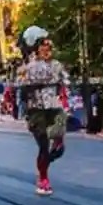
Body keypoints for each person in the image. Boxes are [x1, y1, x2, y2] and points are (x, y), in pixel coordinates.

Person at [19, 37, 69, 196]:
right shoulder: (29, 67)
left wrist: (66, 98)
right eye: (43, 46)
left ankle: (54, 151)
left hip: (54, 107)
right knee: (43, 144)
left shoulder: (57, 65)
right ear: (37, 49)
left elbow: (66, 82)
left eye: (49, 46)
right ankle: (43, 178)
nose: (47, 49)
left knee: (58, 137)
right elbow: (21, 87)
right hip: (37, 108)